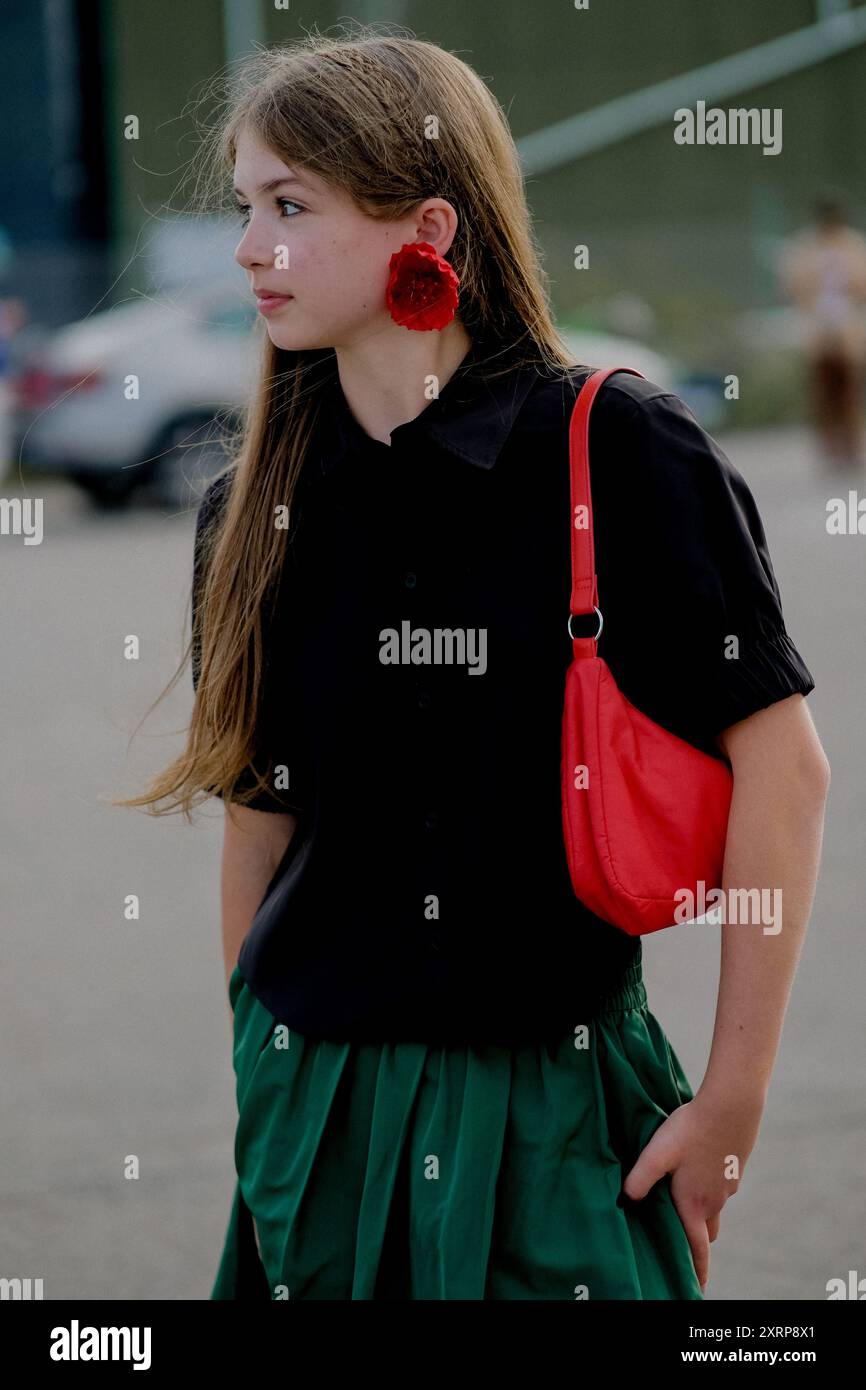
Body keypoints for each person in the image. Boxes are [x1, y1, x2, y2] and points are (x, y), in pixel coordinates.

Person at [120, 30, 830, 1300]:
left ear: (427, 228)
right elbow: (259, 817)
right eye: (244, 206)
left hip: (558, 1111)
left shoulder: (621, 450)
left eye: (290, 206)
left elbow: (783, 773)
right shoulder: (249, 508)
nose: (246, 248)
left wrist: (730, 1100)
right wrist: (261, 1064)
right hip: (318, 1103)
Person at [780, 197, 866, 470]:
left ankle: (851, 447)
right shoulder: (805, 248)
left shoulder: (851, 245)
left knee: (849, 391)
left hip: (847, 328)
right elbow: (793, 286)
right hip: (818, 329)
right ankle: (829, 448)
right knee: (824, 392)